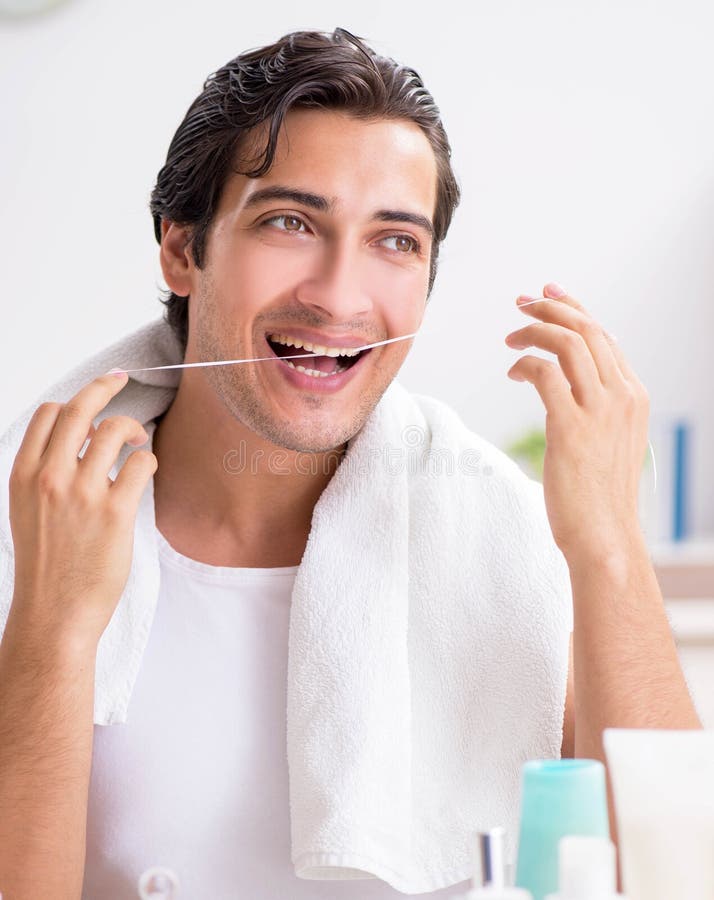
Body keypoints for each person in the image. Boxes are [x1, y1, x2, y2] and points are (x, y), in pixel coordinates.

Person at [0, 26, 700, 900]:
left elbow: (671, 878)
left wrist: (607, 548)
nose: (338, 295)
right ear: (183, 249)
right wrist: (50, 634)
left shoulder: (492, 537)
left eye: (395, 241)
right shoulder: (33, 530)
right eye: (290, 222)